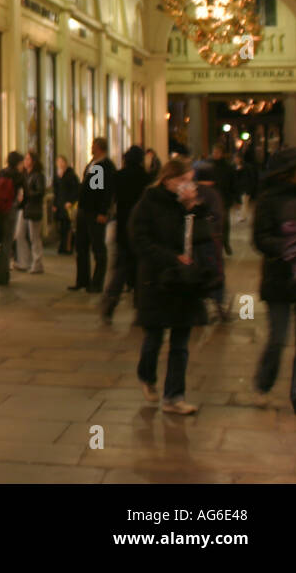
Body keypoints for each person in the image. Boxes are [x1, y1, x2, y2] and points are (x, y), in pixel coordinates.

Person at [130, 157, 220, 415]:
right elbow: (139, 240)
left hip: (185, 282)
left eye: (190, 181)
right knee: (154, 337)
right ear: (168, 180)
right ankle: (146, 376)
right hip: (158, 280)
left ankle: (174, 396)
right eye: (182, 181)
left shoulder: (191, 206)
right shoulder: (149, 203)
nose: (186, 186)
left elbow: (204, 239)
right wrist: (170, 258)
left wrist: (192, 208)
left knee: (180, 342)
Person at [252, 147, 296, 412]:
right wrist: (286, 247)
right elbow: (260, 239)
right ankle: (263, 383)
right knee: (278, 338)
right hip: (279, 279)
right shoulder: (269, 199)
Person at [100, 145, 150, 322]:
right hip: (141, 228)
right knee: (140, 270)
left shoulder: (117, 175)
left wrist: (103, 213)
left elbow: (107, 197)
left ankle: (110, 304)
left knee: (120, 269)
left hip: (123, 226)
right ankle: (139, 308)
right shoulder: (146, 178)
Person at [72, 137, 117, 293]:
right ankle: (82, 280)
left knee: (98, 247)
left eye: (93, 145)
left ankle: (97, 282)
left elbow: (105, 192)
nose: (91, 148)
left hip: (94, 212)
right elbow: (90, 187)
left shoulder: (105, 166)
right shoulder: (93, 164)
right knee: (81, 245)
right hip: (85, 210)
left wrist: (103, 211)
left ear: (99, 148)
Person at [190, 161, 231, 324]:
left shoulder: (192, 191)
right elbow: (218, 217)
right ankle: (219, 305)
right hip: (211, 239)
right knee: (215, 271)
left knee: (197, 271)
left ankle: (198, 308)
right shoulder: (213, 194)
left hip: (193, 240)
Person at [0, 152, 24, 285]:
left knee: (0, 241)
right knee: (7, 243)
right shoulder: (18, 176)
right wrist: (19, 205)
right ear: (18, 163)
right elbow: (27, 193)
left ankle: (2, 272)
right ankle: (1, 276)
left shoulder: (0, 173)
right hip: (10, 210)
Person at [14, 150, 46, 274]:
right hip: (24, 208)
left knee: (34, 237)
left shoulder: (38, 175)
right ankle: (24, 261)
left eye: (28, 159)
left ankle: (37, 263)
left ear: (33, 161)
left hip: (33, 209)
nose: (25, 162)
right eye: (25, 159)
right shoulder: (24, 175)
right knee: (19, 234)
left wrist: (27, 195)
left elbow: (40, 192)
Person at [210, 142, 236, 255]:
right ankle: (217, 245)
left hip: (224, 198)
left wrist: (234, 197)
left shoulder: (227, 168)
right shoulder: (209, 166)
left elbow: (232, 184)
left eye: (217, 152)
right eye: (214, 152)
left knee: (224, 223)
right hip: (212, 198)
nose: (215, 154)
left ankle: (225, 242)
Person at [53, 156, 80, 254]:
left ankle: (68, 247)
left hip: (68, 204)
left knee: (67, 226)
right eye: (58, 162)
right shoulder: (57, 175)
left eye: (62, 162)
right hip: (60, 203)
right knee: (60, 226)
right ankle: (62, 245)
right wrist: (55, 204)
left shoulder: (71, 175)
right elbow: (56, 191)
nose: (60, 164)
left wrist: (71, 201)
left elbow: (76, 190)